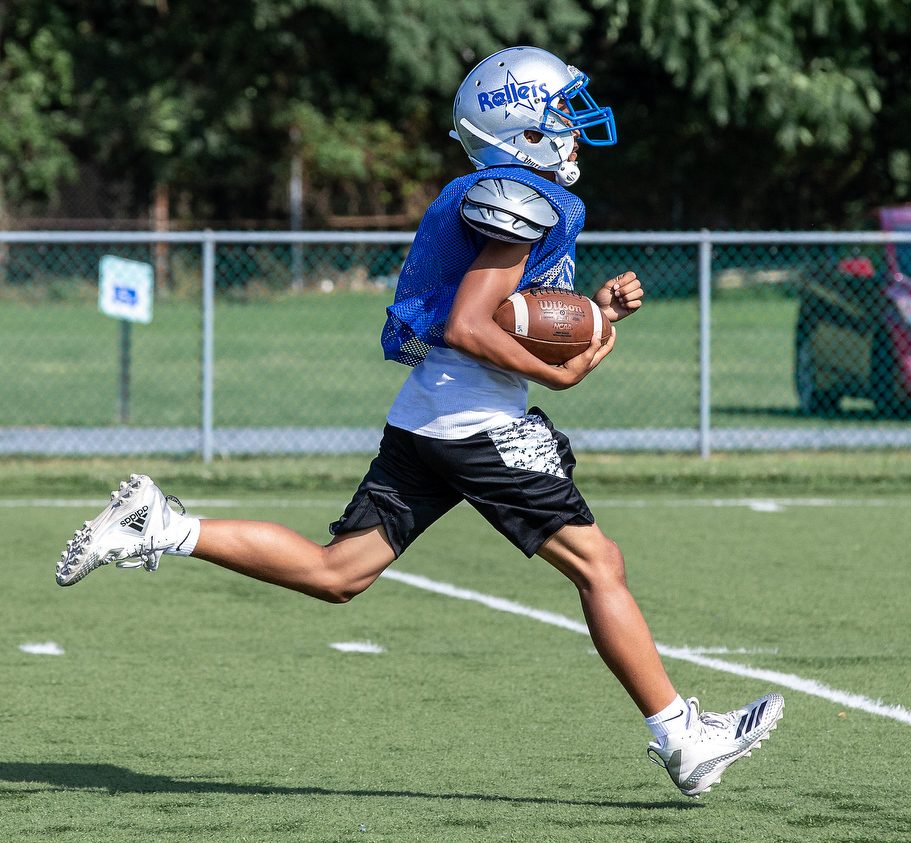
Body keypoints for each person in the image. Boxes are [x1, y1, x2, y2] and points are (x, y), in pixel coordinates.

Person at [57, 46, 782, 798]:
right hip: (475, 416)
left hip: (433, 411)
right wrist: (559, 369)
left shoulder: (501, 189)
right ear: (519, 128)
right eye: (560, 113)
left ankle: (163, 525)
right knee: (601, 566)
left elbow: (514, 320)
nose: (574, 127)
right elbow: (472, 323)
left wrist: (595, 319)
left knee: (340, 572)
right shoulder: (518, 196)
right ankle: (681, 737)